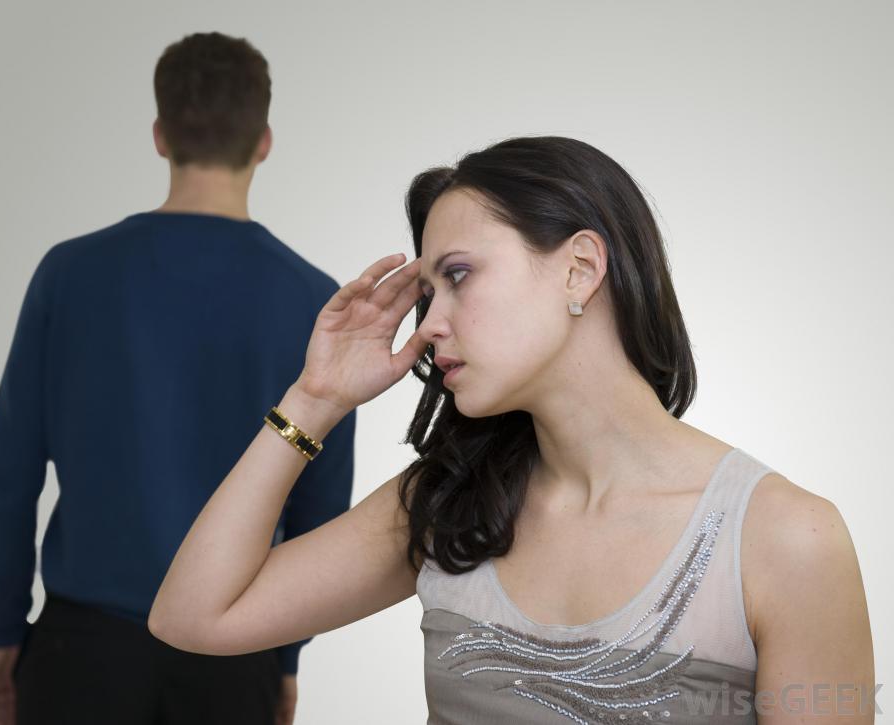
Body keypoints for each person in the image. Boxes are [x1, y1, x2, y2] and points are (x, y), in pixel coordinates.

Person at [148, 136, 876, 723]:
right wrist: (314, 400)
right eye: (427, 292)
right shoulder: (451, 503)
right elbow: (194, 617)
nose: (428, 326)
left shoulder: (784, 539)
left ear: (579, 269)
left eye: (459, 276)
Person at [0, 32, 356, 725]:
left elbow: (11, 471)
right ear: (264, 142)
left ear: (159, 135)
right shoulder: (313, 301)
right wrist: (284, 658)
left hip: (82, 648)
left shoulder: (70, 274)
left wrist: (2, 626)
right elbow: (320, 510)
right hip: (235, 650)